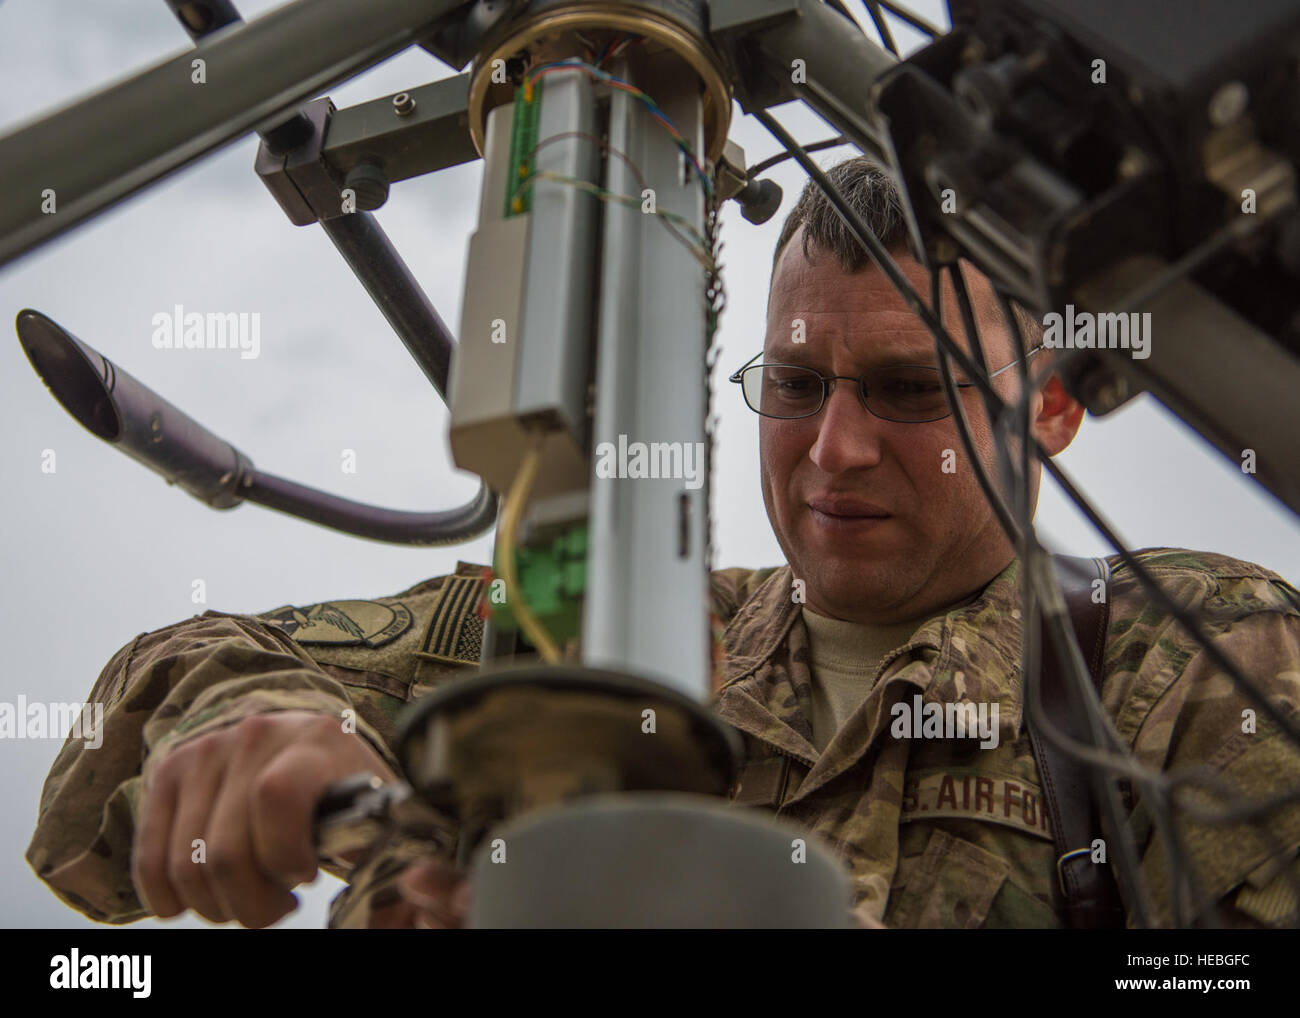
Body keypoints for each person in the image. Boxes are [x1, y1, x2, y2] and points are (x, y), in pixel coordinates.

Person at [27, 157, 1300, 929]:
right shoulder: (608, 632)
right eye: (796, 384)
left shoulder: (1186, 662)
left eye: (912, 391)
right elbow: (127, 742)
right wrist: (263, 727)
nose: (835, 448)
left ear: (1055, 406)